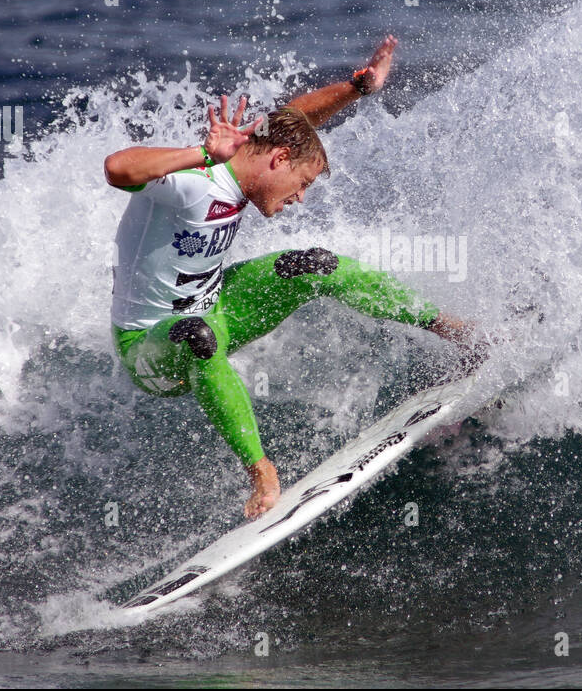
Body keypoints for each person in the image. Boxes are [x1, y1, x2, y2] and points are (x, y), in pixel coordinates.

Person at [104, 36, 478, 518]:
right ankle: (262, 473)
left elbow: (296, 122)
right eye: (301, 184)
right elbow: (117, 168)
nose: (299, 198)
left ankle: (454, 330)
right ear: (278, 161)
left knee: (315, 264)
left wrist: (358, 87)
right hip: (151, 347)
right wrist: (200, 152)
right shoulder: (196, 180)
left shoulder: (255, 157)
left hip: (217, 307)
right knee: (199, 337)